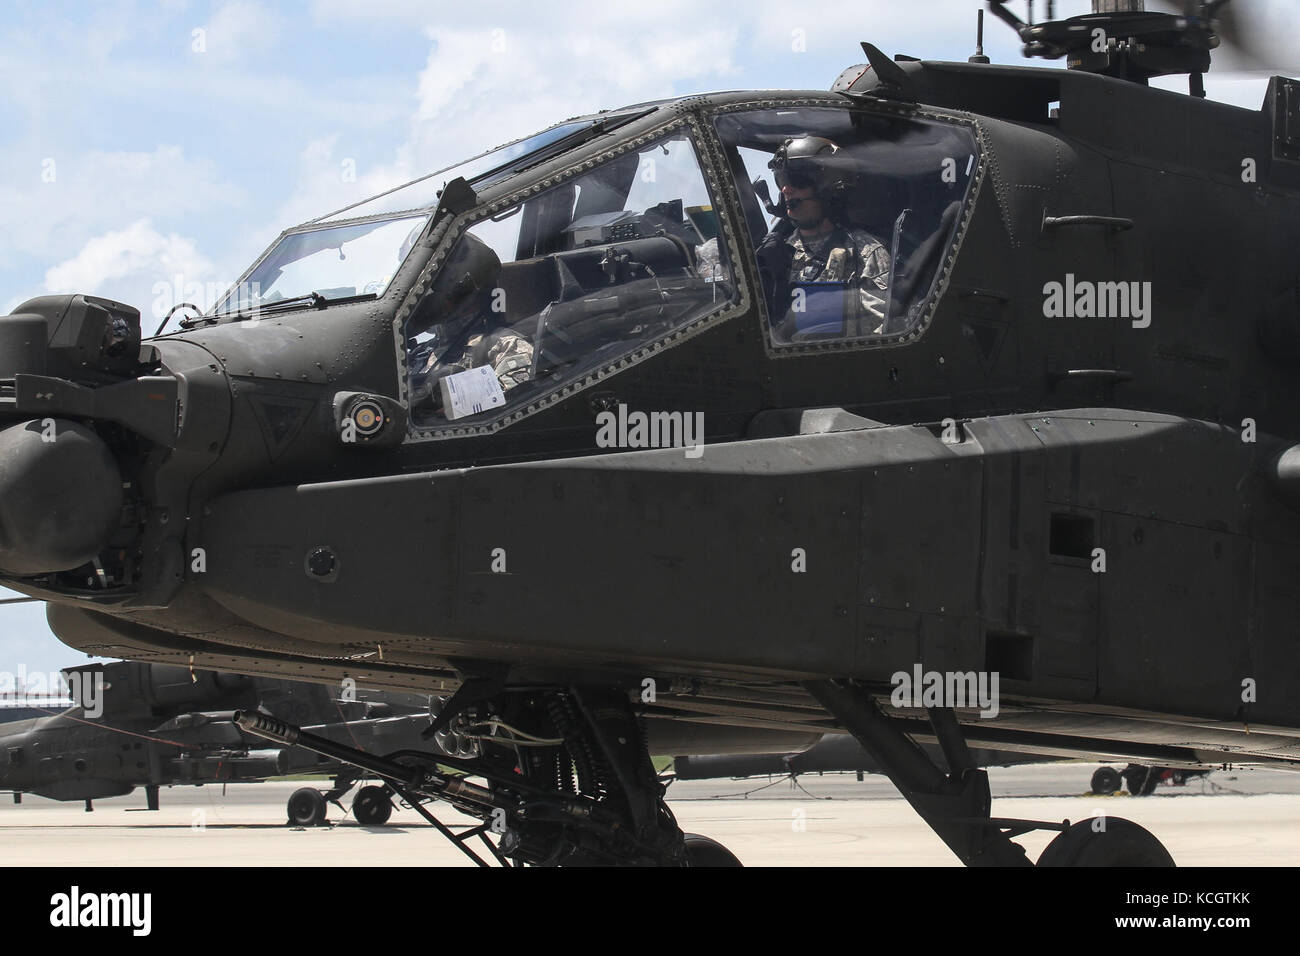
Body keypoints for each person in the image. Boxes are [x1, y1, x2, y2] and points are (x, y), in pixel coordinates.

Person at [758, 135, 891, 339]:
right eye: (782, 179)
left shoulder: (865, 253)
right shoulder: (773, 255)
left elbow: (882, 336)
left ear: (830, 187)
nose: (786, 189)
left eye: (797, 179)